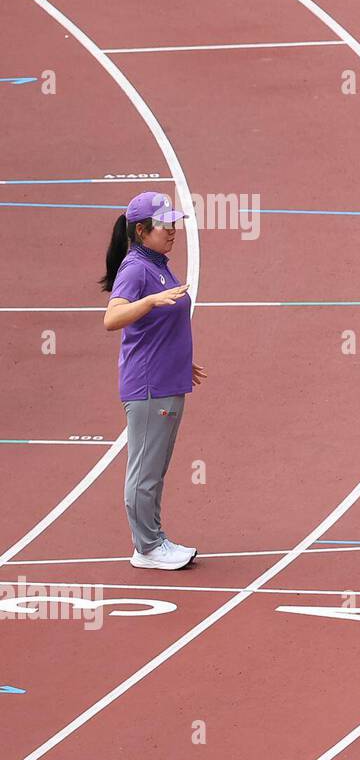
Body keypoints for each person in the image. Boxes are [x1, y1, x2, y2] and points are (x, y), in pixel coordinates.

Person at [101, 192, 207, 570]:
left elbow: (161, 325)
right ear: (142, 231)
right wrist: (150, 302)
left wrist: (181, 361)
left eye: (174, 223)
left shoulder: (158, 264)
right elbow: (112, 319)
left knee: (155, 467)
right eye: (165, 225)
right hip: (149, 386)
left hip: (168, 378)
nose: (173, 231)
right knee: (145, 469)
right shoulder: (136, 269)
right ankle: (147, 547)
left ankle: (155, 539)